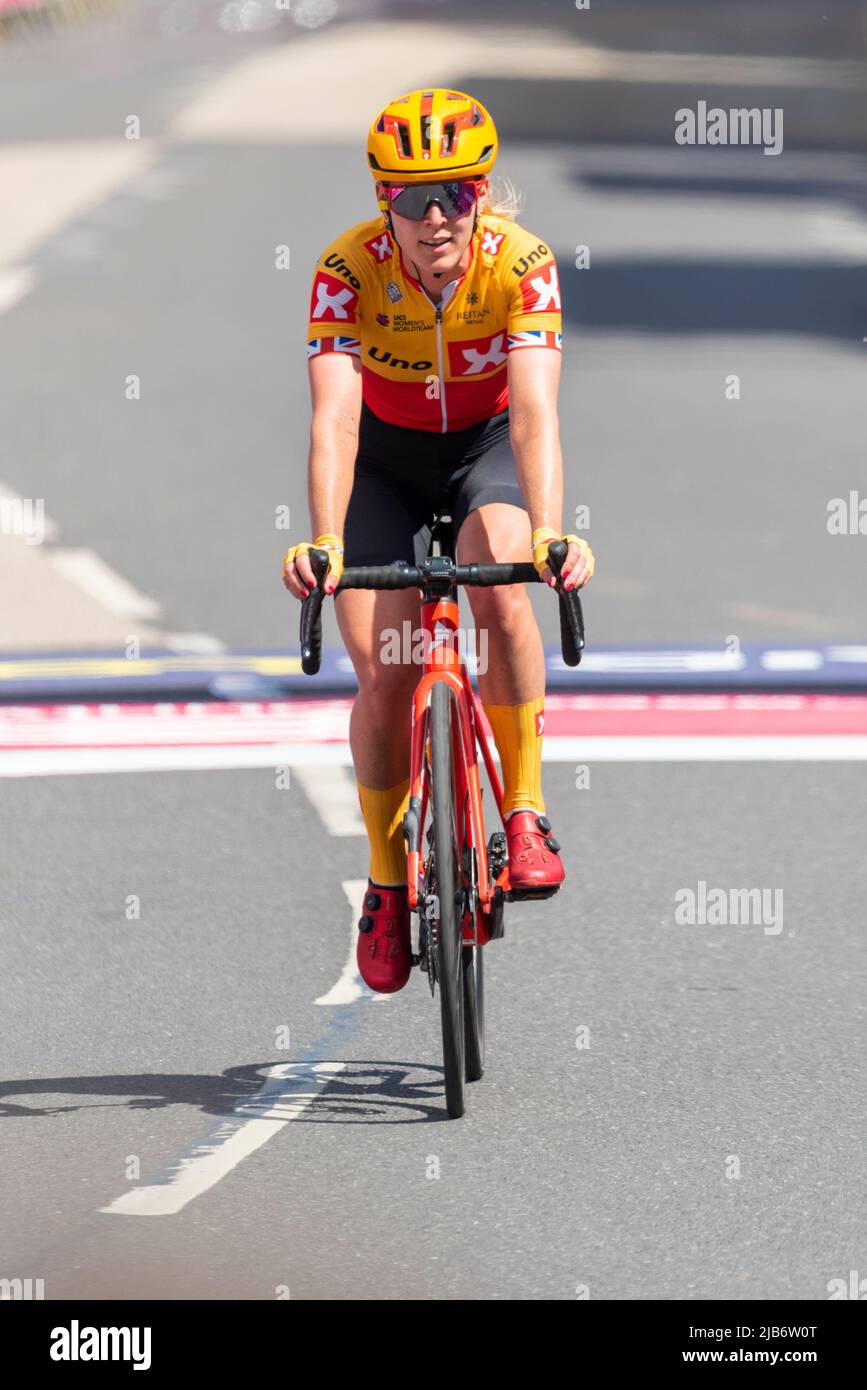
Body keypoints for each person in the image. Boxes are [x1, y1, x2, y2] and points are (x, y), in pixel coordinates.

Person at [283, 88, 595, 994]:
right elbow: (334, 421)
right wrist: (322, 544)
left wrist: (547, 533)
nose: (431, 219)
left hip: (483, 454)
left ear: (483, 193)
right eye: (408, 198)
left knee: (498, 585)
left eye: (453, 194)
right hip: (381, 464)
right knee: (383, 669)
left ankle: (526, 812)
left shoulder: (522, 262)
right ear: (382, 199)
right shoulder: (345, 267)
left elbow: (534, 412)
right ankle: (386, 883)